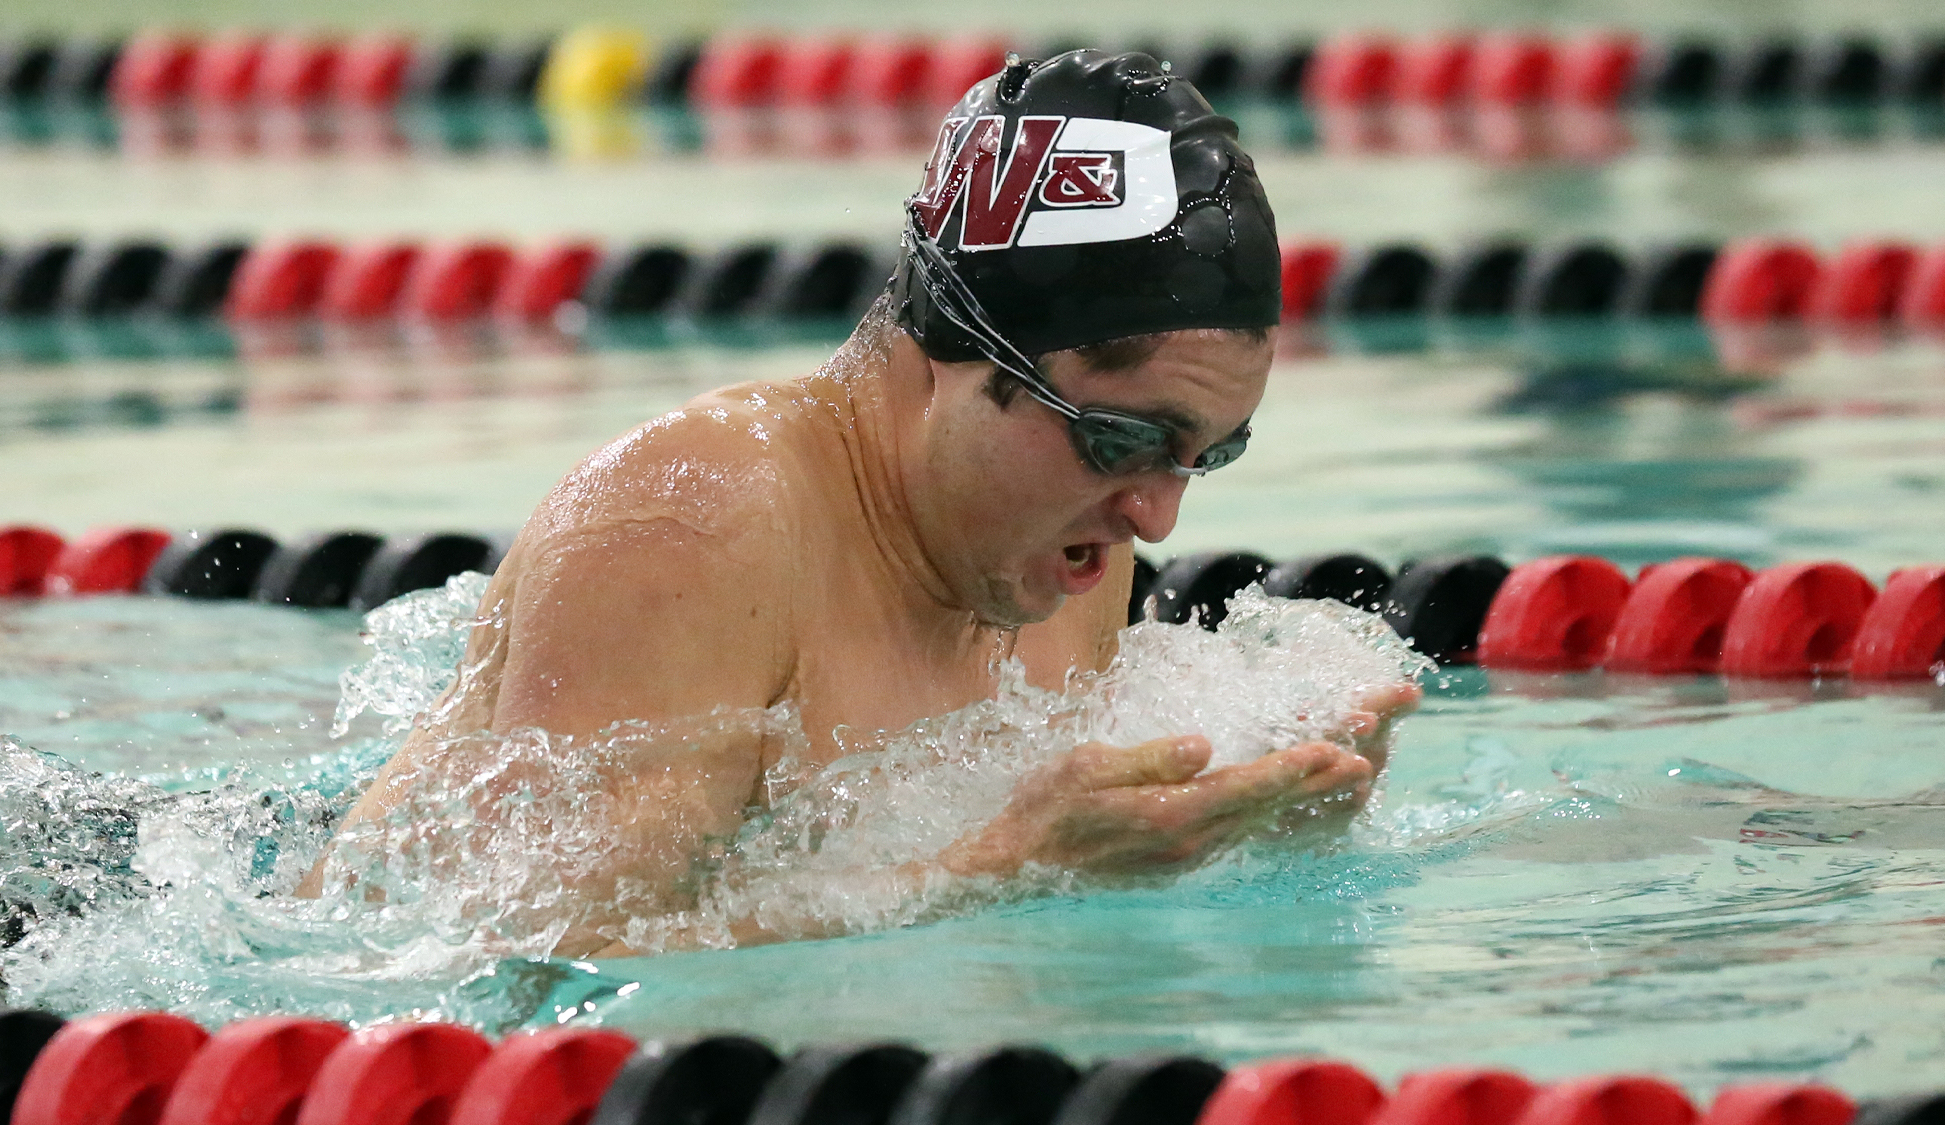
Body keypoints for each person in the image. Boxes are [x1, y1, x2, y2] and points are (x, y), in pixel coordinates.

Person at [297, 49, 1419, 952]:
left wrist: (1264, 841)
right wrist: (999, 868)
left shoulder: (1063, 547)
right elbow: (540, 963)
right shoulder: (687, 529)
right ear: (950, 355)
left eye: (1200, 459)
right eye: (1121, 440)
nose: (1156, 518)